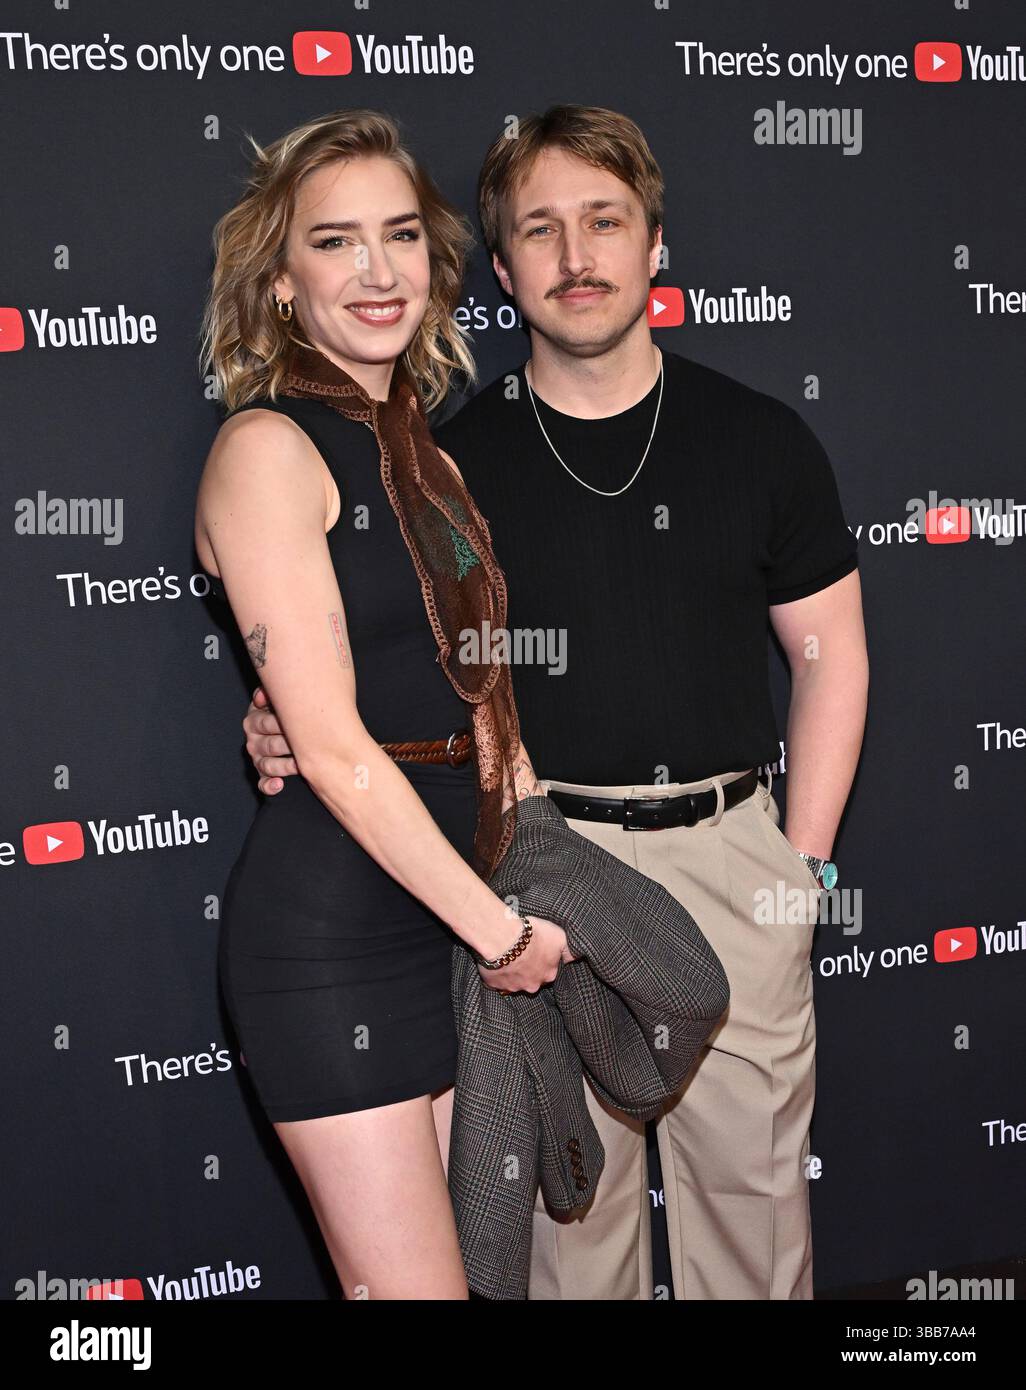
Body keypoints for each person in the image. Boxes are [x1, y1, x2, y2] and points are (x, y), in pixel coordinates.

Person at [243, 104, 870, 1300]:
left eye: (604, 221)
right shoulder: (443, 463)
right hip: (542, 873)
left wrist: (804, 873)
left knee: (755, 1217)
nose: (576, 256)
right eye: (540, 229)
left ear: (655, 244)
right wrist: (280, 715)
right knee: (569, 1234)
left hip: (737, 856)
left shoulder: (762, 440)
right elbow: (371, 658)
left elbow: (833, 655)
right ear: (501, 265)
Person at [194, 108, 573, 1301]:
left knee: (479, 1279)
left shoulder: (427, 457)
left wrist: (522, 881)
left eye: (400, 236)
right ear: (282, 282)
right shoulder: (268, 448)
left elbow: (479, 696)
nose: (376, 271)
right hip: (338, 936)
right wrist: (501, 933)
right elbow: (338, 751)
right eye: (336, 241)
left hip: (451, 909)